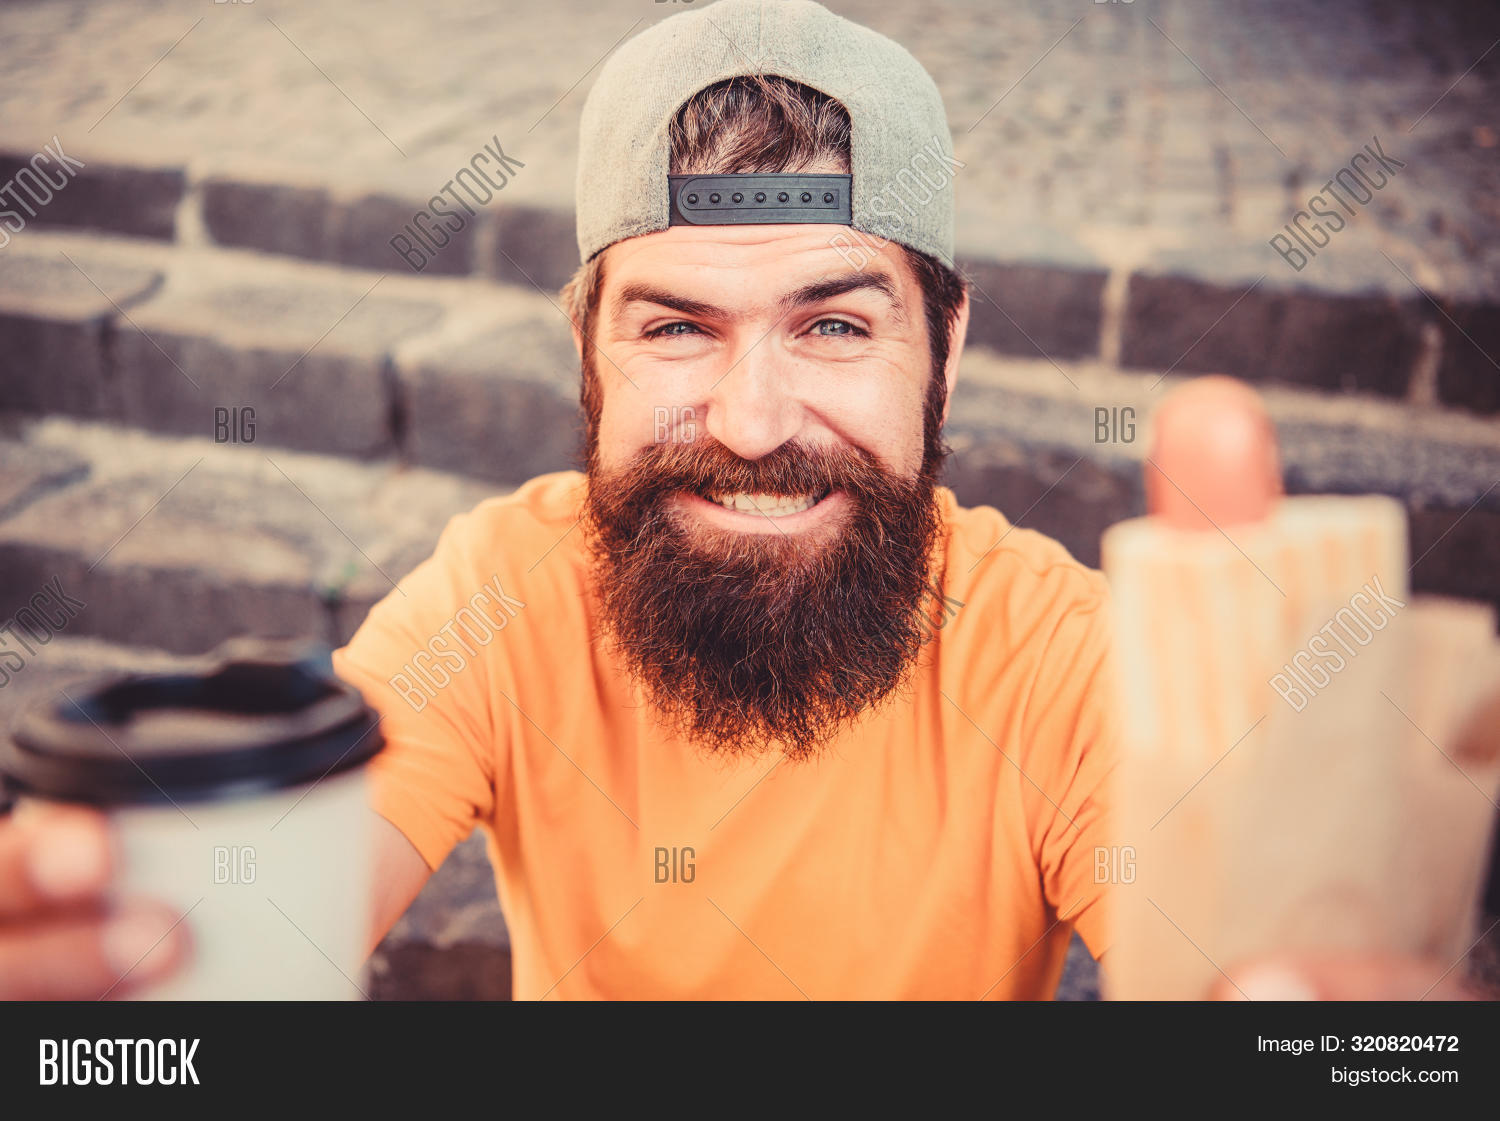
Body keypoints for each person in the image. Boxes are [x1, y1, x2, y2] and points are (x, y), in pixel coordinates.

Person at [0, 0, 1487, 1000]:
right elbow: (271, 914)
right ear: (585, 346)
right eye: (675, 327)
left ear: (945, 346)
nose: (755, 422)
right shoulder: (506, 596)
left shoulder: (1054, 652)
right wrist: (144, 977)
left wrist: (1310, 992)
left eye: (835, 325)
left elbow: (1220, 955)